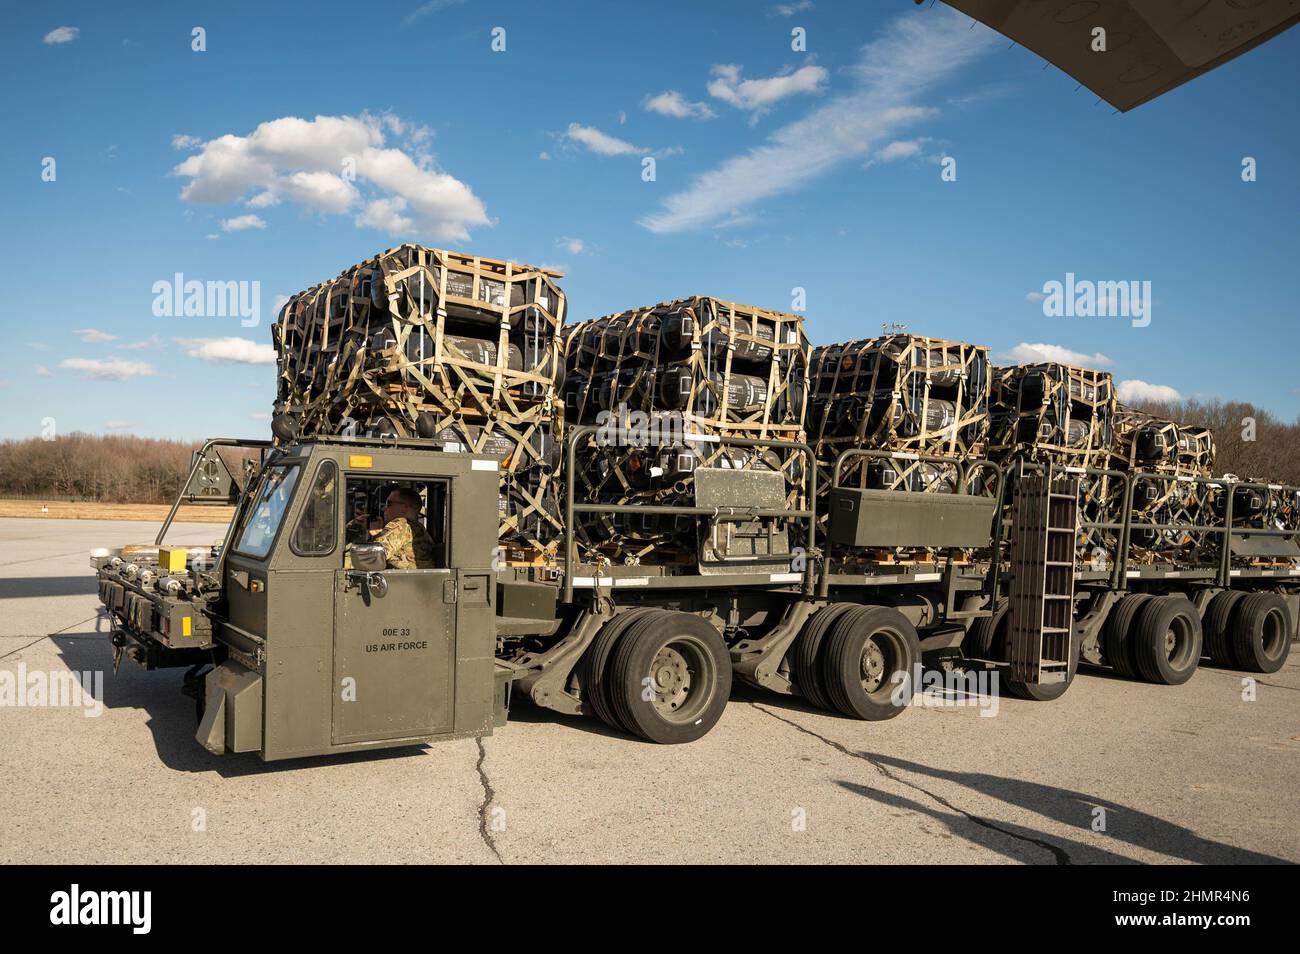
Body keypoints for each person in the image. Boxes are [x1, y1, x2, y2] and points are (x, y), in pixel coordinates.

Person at [346, 487, 437, 569]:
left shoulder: (401, 524)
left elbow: (373, 556)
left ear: (404, 507)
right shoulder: (416, 528)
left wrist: (342, 563)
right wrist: (378, 534)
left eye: (388, 504)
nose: (384, 509)